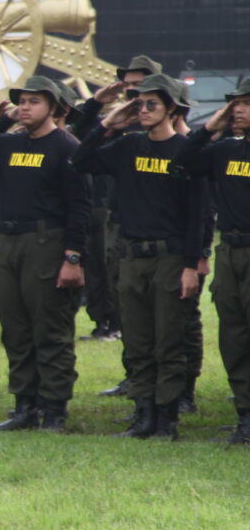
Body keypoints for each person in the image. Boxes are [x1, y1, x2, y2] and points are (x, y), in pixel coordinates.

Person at [73, 73, 204, 440]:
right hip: (131, 256)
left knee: (169, 340)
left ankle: (167, 419)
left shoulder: (185, 151)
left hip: (169, 257)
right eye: (139, 104)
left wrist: (191, 265)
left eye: (152, 104)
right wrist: (108, 124)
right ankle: (143, 415)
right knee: (137, 340)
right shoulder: (128, 146)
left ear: (171, 109)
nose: (143, 110)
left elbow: (197, 215)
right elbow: (79, 160)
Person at [0, 77, 91, 432]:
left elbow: (80, 207)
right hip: (9, 242)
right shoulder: (7, 144)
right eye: (22, 101)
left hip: (47, 242)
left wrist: (73, 257)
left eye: (34, 101)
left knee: (50, 329)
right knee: (15, 329)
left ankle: (54, 408)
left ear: (54, 108)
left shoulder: (66, 146)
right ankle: (24, 406)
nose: (25, 107)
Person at [175, 77, 250, 443]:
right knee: (234, 336)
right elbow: (181, 164)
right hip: (231, 252)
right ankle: (245, 414)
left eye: (246, 103)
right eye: (235, 104)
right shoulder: (227, 151)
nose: (238, 110)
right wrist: (208, 129)